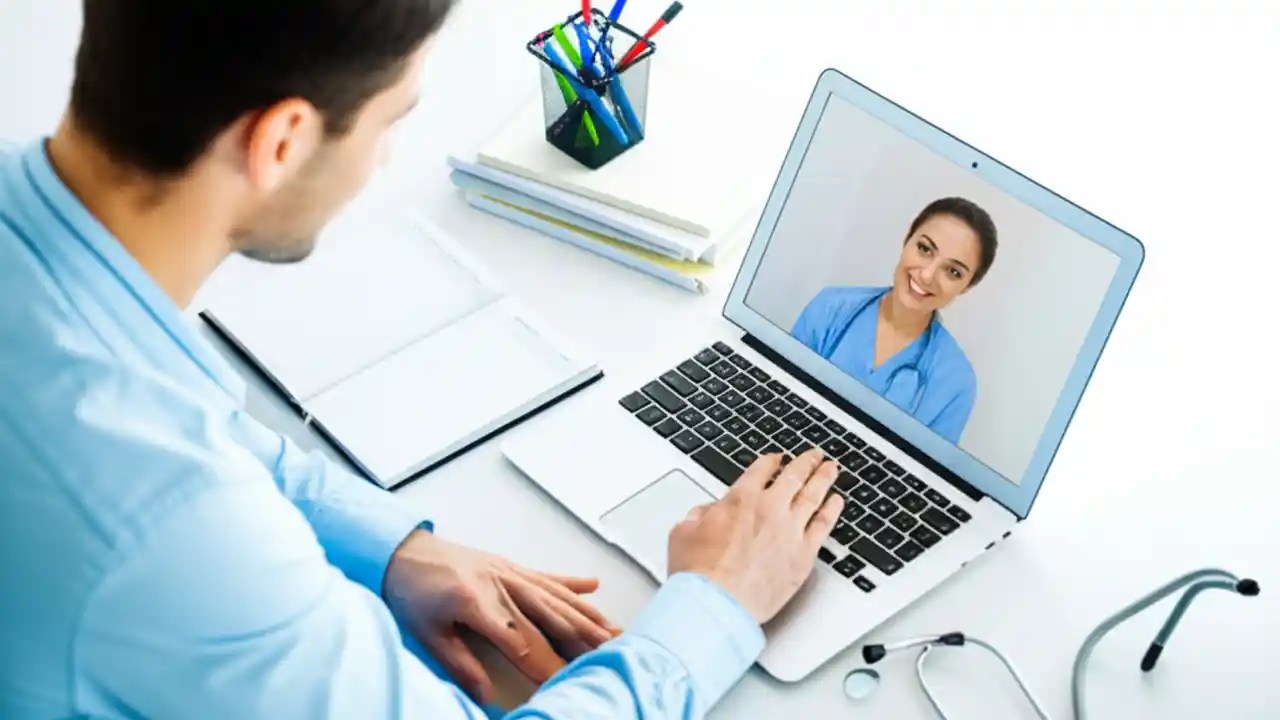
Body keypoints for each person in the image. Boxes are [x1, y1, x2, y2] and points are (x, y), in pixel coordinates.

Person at [0, 2, 845, 718]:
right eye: (391, 121)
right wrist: (716, 606)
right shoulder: (182, 536)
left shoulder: (53, 249)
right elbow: (170, 487)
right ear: (283, 141)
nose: (384, 160)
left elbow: (195, 419)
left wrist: (392, 546)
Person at [791, 197, 998, 444]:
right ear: (906, 241)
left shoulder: (957, 383)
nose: (927, 275)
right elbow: (781, 394)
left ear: (967, 286)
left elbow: (922, 474)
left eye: (953, 272)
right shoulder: (830, 308)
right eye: (924, 249)